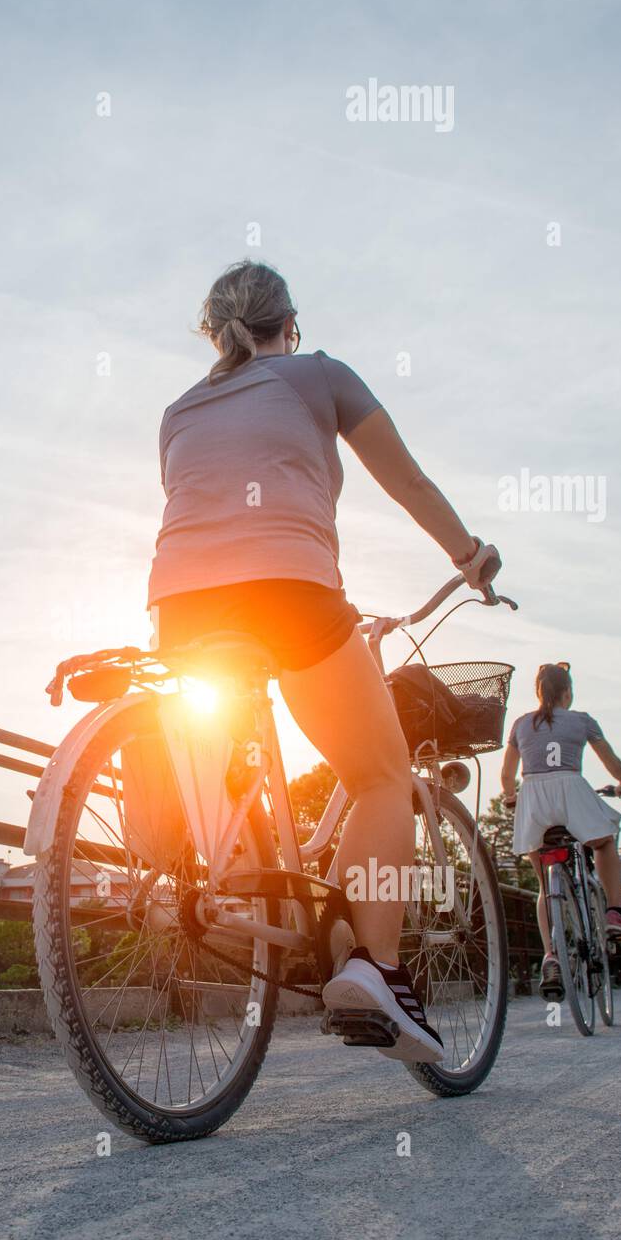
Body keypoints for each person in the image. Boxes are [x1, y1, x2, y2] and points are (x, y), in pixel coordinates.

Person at [147, 259, 502, 1063]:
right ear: (291, 324)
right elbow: (405, 478)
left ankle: (244, 883)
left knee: (231, 735)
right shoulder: (321, 377)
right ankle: (373, 968)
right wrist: (469, 555)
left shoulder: (178, 410)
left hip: (177, 607)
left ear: (214, 333)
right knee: (380, 773)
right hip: (292, 594)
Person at [500, 661, 621, 1000]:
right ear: (567, 692)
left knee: (546, 886)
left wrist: (509, 798)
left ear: (538, 692)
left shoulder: (520, 724)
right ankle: (615, 912)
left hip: (533, 796)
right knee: (604, 842)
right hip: (571, 790)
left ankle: (551, 954)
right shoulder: (581, 720)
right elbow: (612, 760)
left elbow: (506, 775)